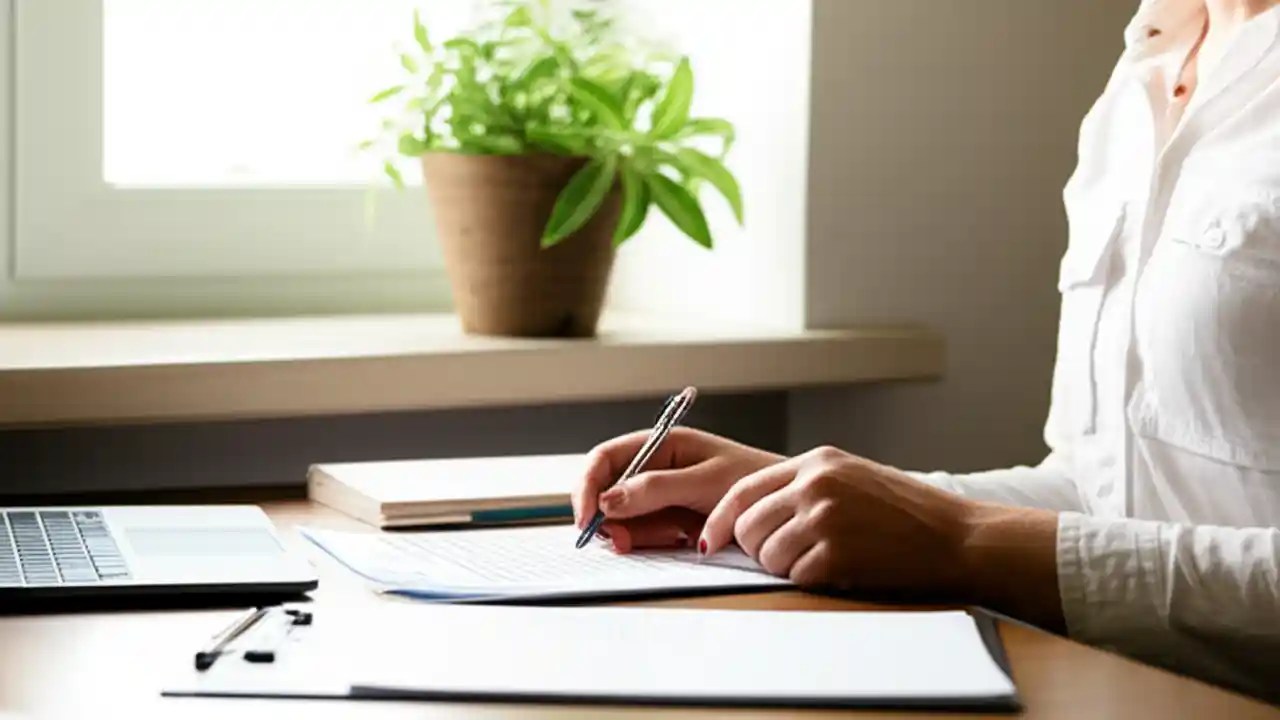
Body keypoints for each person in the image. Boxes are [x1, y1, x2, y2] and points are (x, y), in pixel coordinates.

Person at [570, 0, 1280, 703]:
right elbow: (1101, 498)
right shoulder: (1140, 78)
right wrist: (792, 495)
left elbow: (1015, 544)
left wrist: (964, 540)